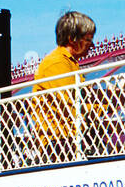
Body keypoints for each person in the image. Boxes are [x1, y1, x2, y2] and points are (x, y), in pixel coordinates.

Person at [32, 11, 97, 158]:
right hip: (59, 143)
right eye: (88, 40)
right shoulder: (57, 63)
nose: (92, 45)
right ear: (72, 39)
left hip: (70, 139)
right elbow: (71, 104)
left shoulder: (70, 62)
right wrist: (108, 106)